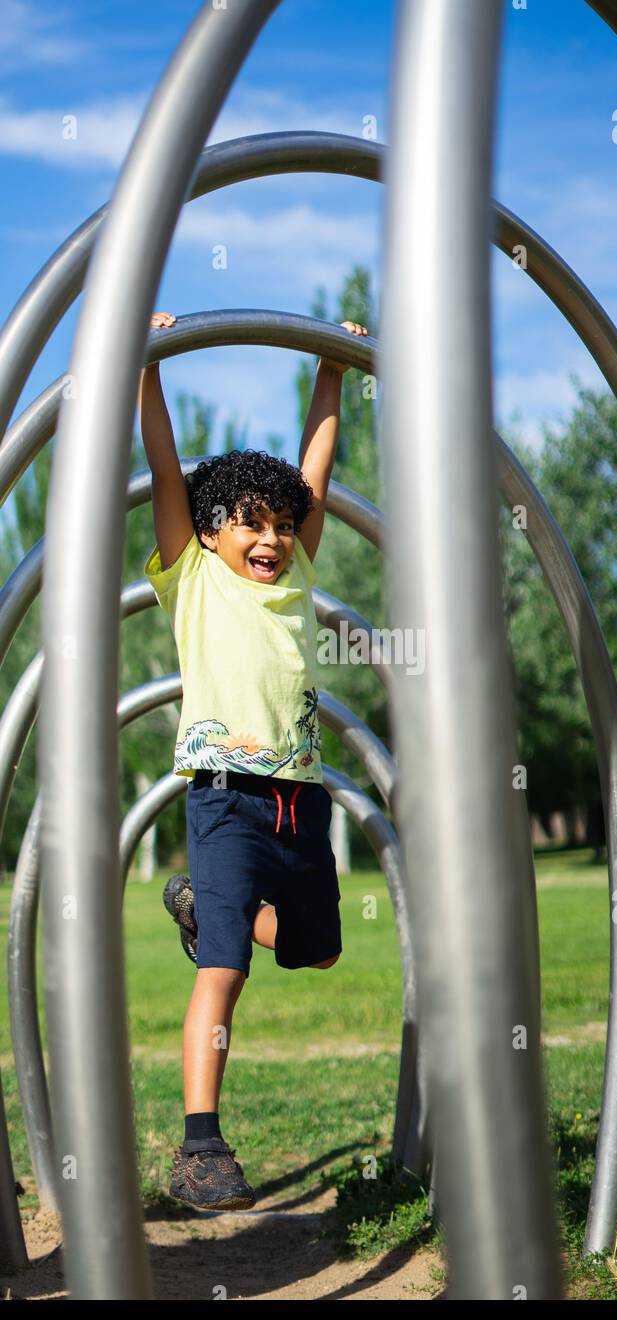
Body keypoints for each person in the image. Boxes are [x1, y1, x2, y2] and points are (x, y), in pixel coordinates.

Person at [138, 311, 367, 1209]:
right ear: (207, 532)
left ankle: (203, 909)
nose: (269, 540)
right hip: (226, 801)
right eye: (249, 524)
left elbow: (317, 465)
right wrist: (147, 367)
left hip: (299, 804)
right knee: (223, 967)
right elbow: (165, 464)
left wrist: (331, 369)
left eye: (280, 525)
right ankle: (201, 1149)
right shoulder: (191, 575)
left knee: (314, 954)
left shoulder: (298, 571)